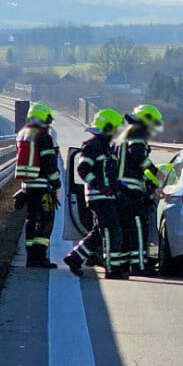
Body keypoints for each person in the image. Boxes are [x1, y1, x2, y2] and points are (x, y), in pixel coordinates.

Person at [63, 109, 129, 279]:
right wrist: (100, 186)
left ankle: (75, 258)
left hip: (106, 196)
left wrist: (120, 188)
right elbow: (83, 169)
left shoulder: (106, 147)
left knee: (100, 232)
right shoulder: (93, 146)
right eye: (114, 128)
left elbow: (109, 174)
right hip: (99, 197)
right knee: (112, 231)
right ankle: (112, 269)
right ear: (107, 127)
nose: (116, 133)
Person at [114, 104, 164, 274]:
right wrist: (156, 172)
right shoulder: (138, 131)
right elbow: (137, 157)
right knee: (138, 227)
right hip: (130, 190)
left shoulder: (126, 131)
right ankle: (138, 266)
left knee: (128, 229)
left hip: (121, 189)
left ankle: (125, 264)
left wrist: (151, 185)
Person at [13, 102, 61, 269]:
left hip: (27, 185)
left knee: (31, 219)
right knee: (45, 220)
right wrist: (56, 184)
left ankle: (31, 258)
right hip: (42, 186)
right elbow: (49, 163)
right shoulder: (43, 136)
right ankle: (39, 257)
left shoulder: (22, 134)